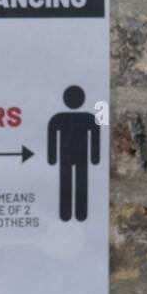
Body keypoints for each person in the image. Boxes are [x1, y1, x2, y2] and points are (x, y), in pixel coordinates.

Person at [47, 85, 99, 222]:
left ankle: (74, 213)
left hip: (71, 157)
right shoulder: (87, 118)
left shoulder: (59, 118)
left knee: (76, 184)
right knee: (73, 183)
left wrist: (52, 158)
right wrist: (95, 157)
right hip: (75, 157)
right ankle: (72, 213)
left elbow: (95, 137)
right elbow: (51, 136)